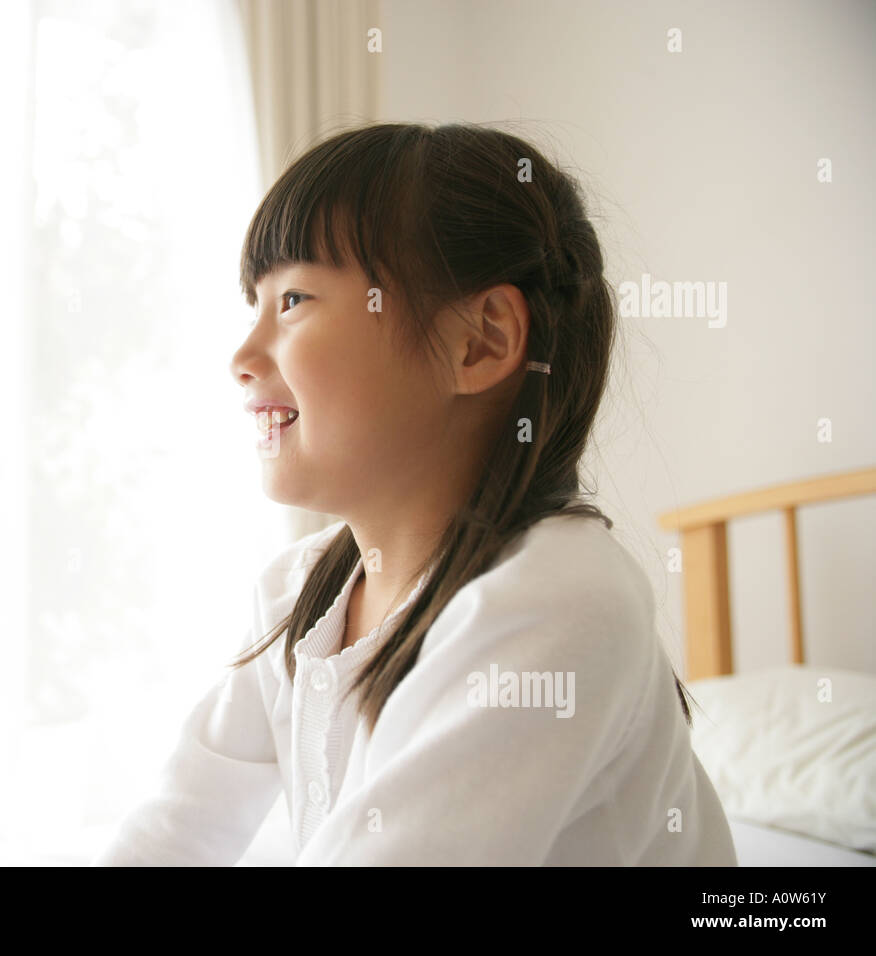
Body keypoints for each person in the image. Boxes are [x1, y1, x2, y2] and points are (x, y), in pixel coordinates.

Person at [92, 121, 737, 866]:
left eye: (295, 299)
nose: (241, 356)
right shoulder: (300, 592)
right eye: (255, 306)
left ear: (481, 341)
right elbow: (178, 829)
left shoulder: (560, 598)